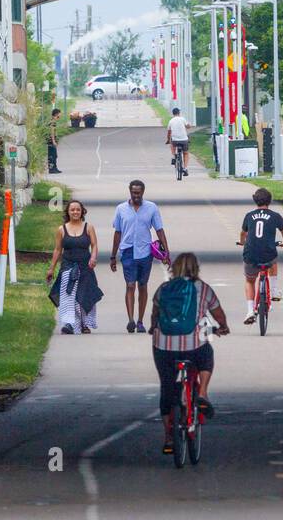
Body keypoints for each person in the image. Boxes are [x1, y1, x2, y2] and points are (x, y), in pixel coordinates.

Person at [149, 252, 230, 455]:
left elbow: (154, 315)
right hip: (193, 345)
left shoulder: (163, 289)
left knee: (167, 389)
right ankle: (201, 393)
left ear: (174, 268)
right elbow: (218, 313)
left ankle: (169, 438)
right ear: (196, 268)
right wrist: (223, 326)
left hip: (163, 346)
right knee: (206, 356)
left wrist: (153, 328)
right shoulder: (203, 289)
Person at [110, 179, 169, 334]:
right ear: (130, 191)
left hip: (145, 252)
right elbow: (117, 233)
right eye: (133, 192)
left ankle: (141, 321)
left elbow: (159, 230)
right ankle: (131, 320)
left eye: (139, 192)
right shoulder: (121, 209)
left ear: (143, 192)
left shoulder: (151, 208)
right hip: (128, 251)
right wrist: (112, 256)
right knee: (130, 285)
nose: (136, 195)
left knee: (142, 286)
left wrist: (166, 253)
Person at [46, 198, 103, 334]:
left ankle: (85, 324)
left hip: (85, 265)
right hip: (68, 266)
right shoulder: (62, 229)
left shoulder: (88, 227)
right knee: (68, 295)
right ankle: (69, 324)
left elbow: (94, 245)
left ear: (82, 211)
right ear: (68, 212)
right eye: (72, 210)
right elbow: (58, 249)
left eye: (78, 209)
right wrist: (51, 268)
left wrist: (93, 257)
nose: (75, 212)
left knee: (84, 295)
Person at [238, 187, 283, 324]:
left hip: (250, 254)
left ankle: (250, 311)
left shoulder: (249, 216)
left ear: (255, 201)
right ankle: (273, 290)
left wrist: (242, 242)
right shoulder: (275, 216)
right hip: (268, 254)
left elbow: (243, 233)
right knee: (273, 261)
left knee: (250, 280)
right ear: (270, 201)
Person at [166, 106, 190, 176]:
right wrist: (188, 126)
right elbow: (188, 126)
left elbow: (169, 132)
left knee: (171, 142)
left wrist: (168, 140)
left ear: (173, 114)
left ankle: (173, 156)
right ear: (179, 113)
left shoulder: (171, 121)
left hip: (175, 141)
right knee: (185, 153)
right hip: (184, 139)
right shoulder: (182, 119)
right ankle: (185, 169)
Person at [47, 108, 62, 174]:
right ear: (56, 114)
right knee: (52, 155)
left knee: (55, 155)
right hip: (51, 141)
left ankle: (55, 168)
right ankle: (51, 169)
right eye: (59, 113)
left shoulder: (53, 121)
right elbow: (52, 132)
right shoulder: (52, 122)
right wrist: (53, 141)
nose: (60, 115)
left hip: (52, 141)